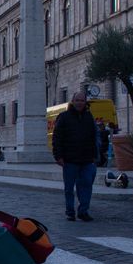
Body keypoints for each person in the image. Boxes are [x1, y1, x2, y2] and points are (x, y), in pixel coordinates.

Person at [52, 90, 98, 222]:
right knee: (69, 188)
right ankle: (70, 212)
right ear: (73, 101)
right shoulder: (64, 117)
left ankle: (83, 211)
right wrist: (58, 156)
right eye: (77, 100)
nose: (79, 103)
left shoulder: (89, 117)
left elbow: (93, 137)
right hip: (69, 159)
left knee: (87, 185)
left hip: (87, 159)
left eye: (82, 100)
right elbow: (57, 137)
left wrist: (95, 155)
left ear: (85, 102)